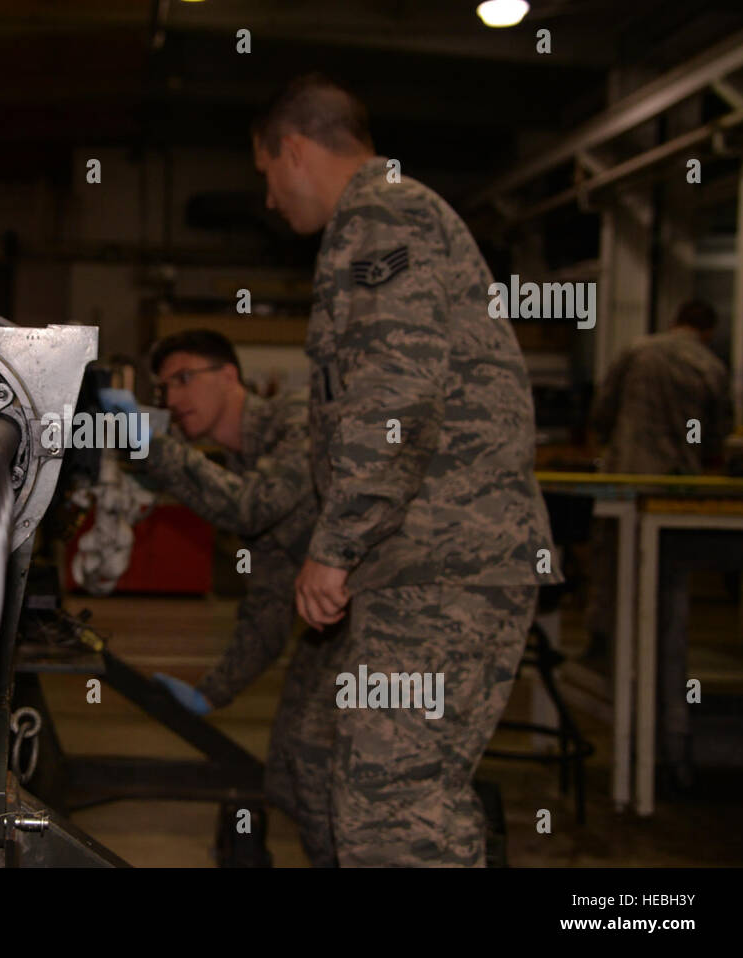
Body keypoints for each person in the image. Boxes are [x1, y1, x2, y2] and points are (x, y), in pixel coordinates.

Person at [251, 73, 559, 866]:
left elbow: (398, 391)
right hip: (426, 561)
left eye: (266, 175)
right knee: (360, 785)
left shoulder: (384, 213)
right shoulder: (386, 213)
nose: (269, 200)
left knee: (396, 814)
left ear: (292, 150)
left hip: (441, 566)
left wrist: (336, 544)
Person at [106, 328, 334, 864]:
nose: (175, 398)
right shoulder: (244, 462)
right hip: (342, 619)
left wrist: (153, 447)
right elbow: (273, 599)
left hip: (399, 607)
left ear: (230, 376)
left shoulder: (299, 421)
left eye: (185, 379)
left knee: (333, 770)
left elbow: (249, 507)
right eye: (164, 389)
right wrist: (214, 691)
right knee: (289, 774)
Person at [588, 299, 733, 786]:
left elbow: (602, 413)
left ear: (676, 320)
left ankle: (610, 664)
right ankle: (667, 731)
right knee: (667, 609)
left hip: (625, 485)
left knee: (616, 588)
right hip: (676, 497)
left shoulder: (638, 351)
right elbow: (716, 438)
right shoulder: (709, 364)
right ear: (707, 330)